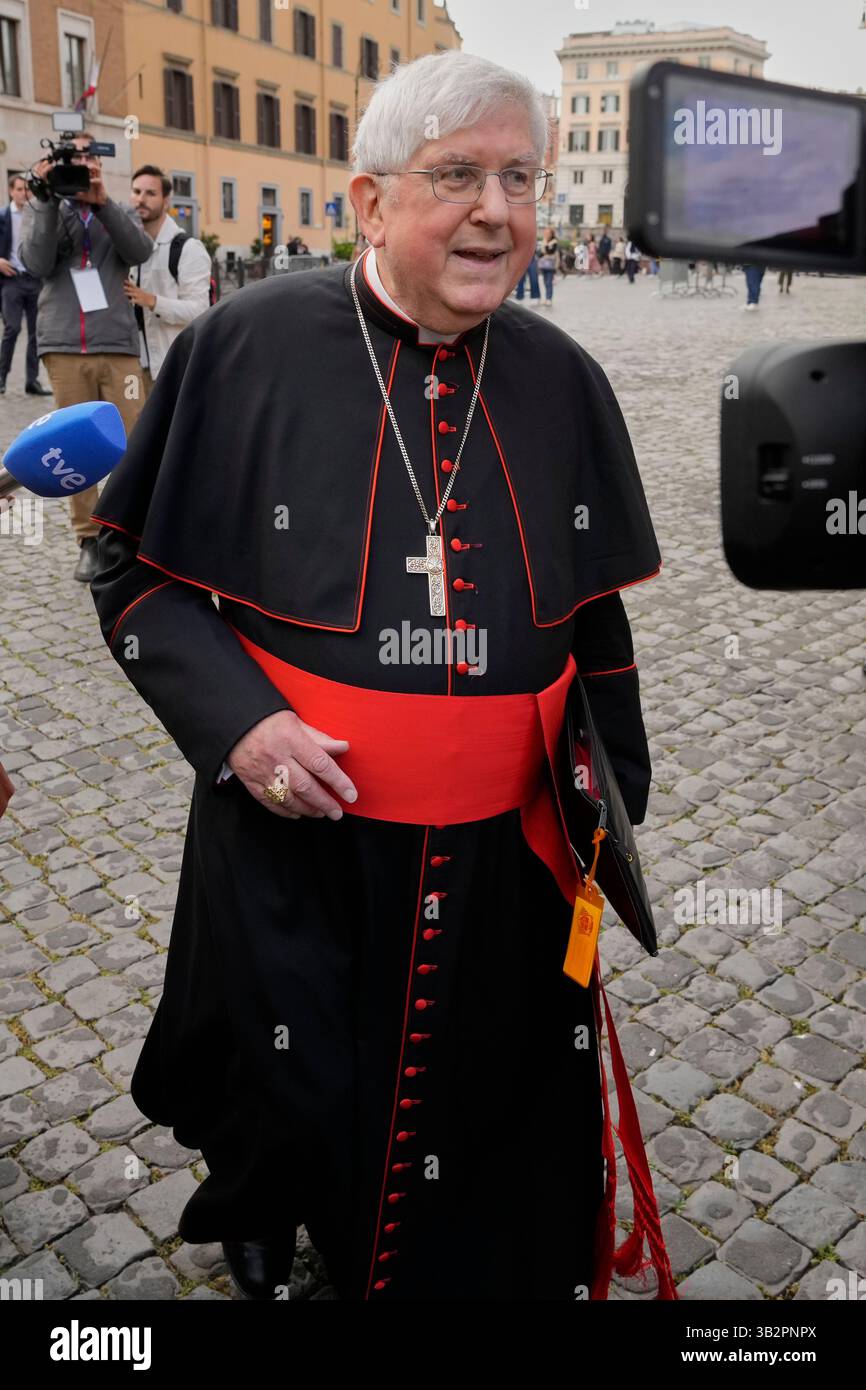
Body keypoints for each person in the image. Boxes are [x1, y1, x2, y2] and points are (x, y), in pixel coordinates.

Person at [89, 49, 674, 1304]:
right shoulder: (243, 348)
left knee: (475, 1080)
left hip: (501, 852)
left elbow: (595, 626)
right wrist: (240, 728)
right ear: (366, 203)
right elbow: (130, 574)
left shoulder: (562, 379)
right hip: (296, 829)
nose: (496, 210)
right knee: (282, 1057)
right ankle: (258, 1196)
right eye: (455, 174)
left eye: (517, 177)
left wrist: (606, 801)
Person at [19, 131, 153, 581]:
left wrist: (103, 203)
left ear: (96, 163)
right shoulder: (45, 208)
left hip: (116, 343)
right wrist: (44, 201)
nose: (78, 166)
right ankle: (89, 539)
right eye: (69, 158)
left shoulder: (115, 208)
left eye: (85, 157)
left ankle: (130, 533)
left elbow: (139, 250)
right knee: (74, 449)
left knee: (133, 443)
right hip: (64, 345)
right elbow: (36, 263)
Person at [124, 165, 212, 398]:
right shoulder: (122, 246)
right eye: (136, 192)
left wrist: (151, 301)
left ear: (166, 202)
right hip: (132, 367)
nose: (141, 199)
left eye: (150, 193)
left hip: (172, 366)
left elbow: (200, 311)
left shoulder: (188, 249)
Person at [0, 174, 51, 397]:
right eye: (19, 189)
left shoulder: (36, 215)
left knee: (35, 332)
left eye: (26, 189)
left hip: (34, 279)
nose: (23, 193)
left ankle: (32, 380)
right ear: (11, 191)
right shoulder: (2, 216)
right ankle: (1, 377)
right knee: (12, 328)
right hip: (11, 280)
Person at [537, 227, 560, 307]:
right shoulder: (543, 241)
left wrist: (545, 244)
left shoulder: (554, 242)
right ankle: (546, 298)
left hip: (551, 264)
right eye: (545, 233)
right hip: (544, 264)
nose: (546, 234)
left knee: (549, 282)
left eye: (548, 233)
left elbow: (550, 251)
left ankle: (549, 299)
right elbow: (540, 253)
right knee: (545, 282)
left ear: (551, 234)